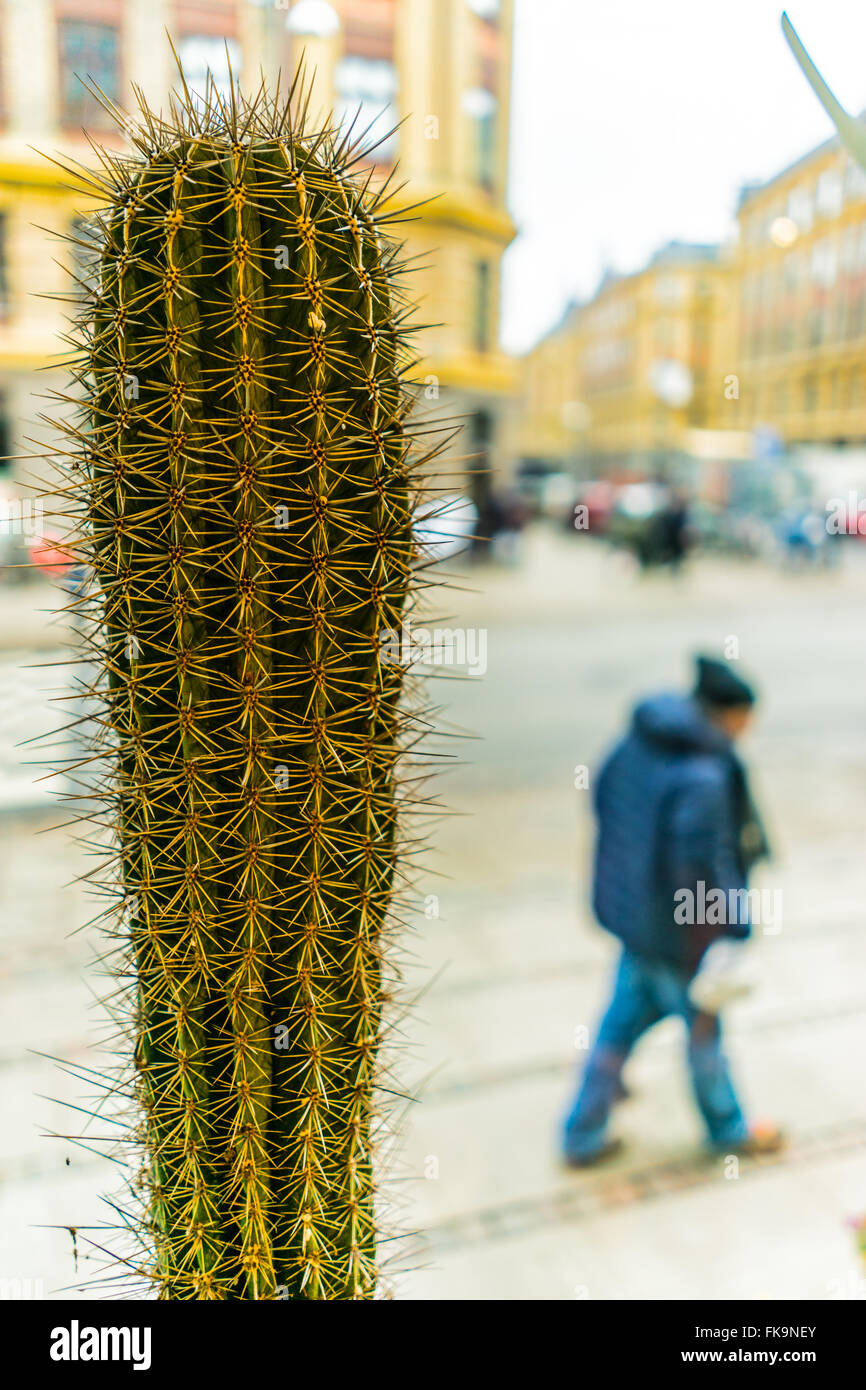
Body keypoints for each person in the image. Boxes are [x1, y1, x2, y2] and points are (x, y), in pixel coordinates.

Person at [562, 656, 782, 1166]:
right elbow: (699, 868)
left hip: (636, 922)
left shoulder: (639, 741)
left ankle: (581, 1133)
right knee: (705, 1035)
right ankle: (727, 1130)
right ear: (729, 714)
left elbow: (606, 803)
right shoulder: (704, 775)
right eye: (748, 717)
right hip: (681, 938)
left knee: (617, 1028)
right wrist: (723, 934)